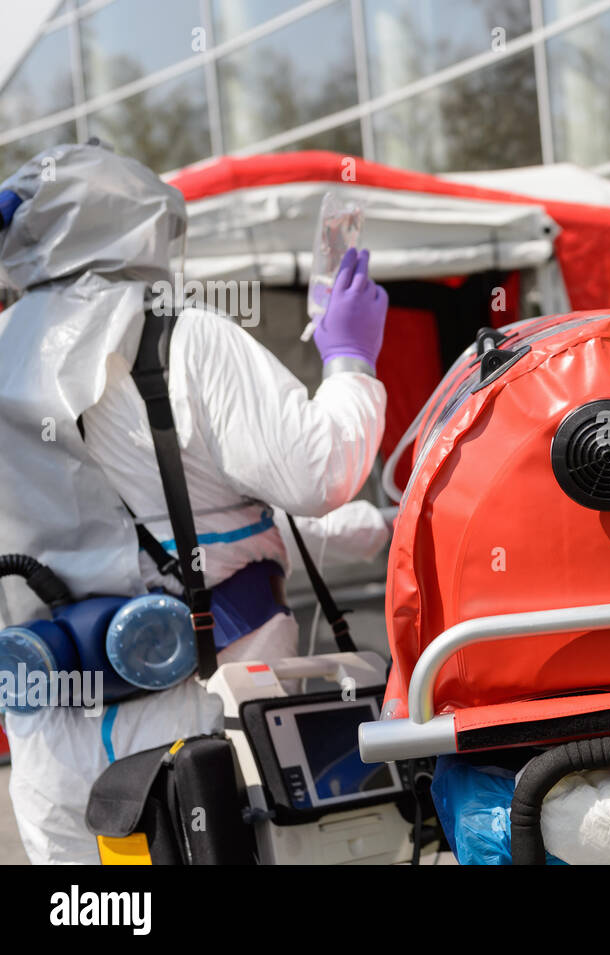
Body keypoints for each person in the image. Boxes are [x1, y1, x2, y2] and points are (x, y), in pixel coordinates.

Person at [0, 142, 390, 864]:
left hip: (48, 734)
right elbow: (318, 470)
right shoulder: (184, 336)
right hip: (198, 720)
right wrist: (351, 362)